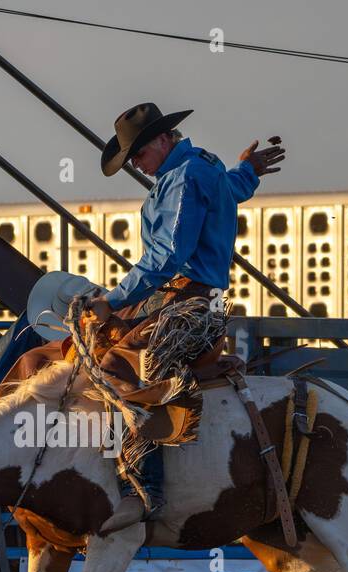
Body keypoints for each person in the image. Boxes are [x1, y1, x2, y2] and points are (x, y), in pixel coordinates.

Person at [84, 102, 285, 533]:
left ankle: (145, 489)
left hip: (186, 299)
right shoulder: (199, 166)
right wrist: (249, 170)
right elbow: (231, 190)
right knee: (107, 342)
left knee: (115, 363)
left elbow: (168, 253)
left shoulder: (184, 177)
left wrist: (116, 299)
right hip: (189, 297)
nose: (137, 164)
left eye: (138, 154)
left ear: (162, 140)